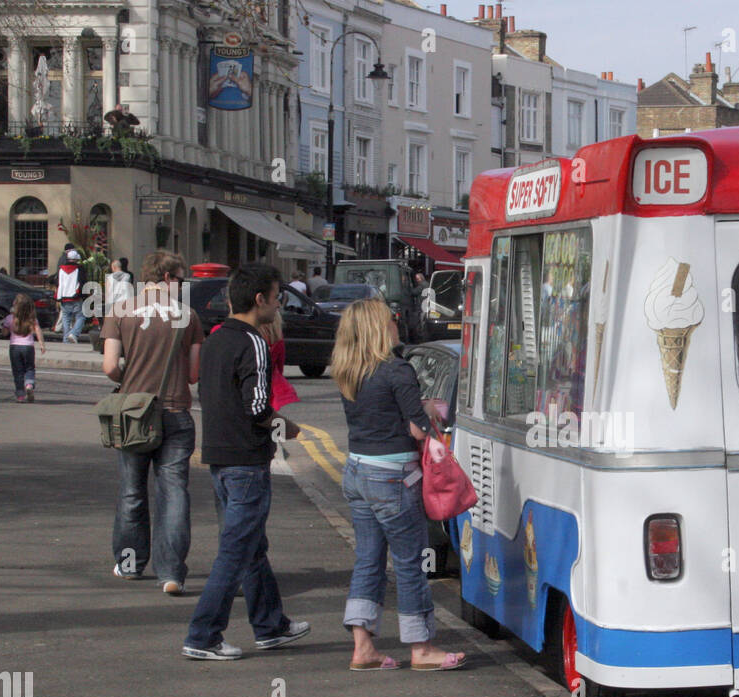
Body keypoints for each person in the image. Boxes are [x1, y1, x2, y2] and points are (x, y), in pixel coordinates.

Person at [332, 298, 466, 672]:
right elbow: (416, 429)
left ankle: (363, 647)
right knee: (409, 562)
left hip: (357, 471)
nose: (396, 323)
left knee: (368, 560)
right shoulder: (397, 370)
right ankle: (421, 648)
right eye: (390, 319)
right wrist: (428, 410)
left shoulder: (349, 371)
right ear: (379, 327)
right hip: (393, 475)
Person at [184, 263, 310, 660]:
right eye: (277, 296)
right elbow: (257, 406)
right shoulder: (253, 341)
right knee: (236, 550)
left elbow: (211, 395)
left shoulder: (216, 338)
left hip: (219, 455)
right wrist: (284, 427)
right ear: (260, 300)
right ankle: (203, 634)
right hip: (247, 459)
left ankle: (271, 625)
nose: (279, 304)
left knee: (251, 544)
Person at [102, 250, 205, 594]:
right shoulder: (187, 316)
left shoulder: (120, 311)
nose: (182, 285)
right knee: (174, 493)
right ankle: (172, 573)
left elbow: (110, 367)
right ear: (165, 277)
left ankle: (130, 564)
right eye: (180, 278)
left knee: (132, 491)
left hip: (134, 414)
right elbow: (193, 375)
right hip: (176, 413)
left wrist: (132, 374)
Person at [3, 293, 45, 402]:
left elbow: (4, 332)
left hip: (14, 347)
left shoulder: (10, 318)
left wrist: (6, 328)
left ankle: (20, 395)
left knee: (18, 371)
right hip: (28, 347)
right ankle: (29, 384)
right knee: (29, 368)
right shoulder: (32, 319)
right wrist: (41, 343)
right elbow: (38, 330)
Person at [51, 246, 88, 342]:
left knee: (66, 318)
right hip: (75, 297)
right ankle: (74, 333)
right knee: (81, 317)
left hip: (63, 297)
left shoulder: (61, 269)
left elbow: (58, 282)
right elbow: (83, 282)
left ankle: (66, 339)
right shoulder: (80, 269)